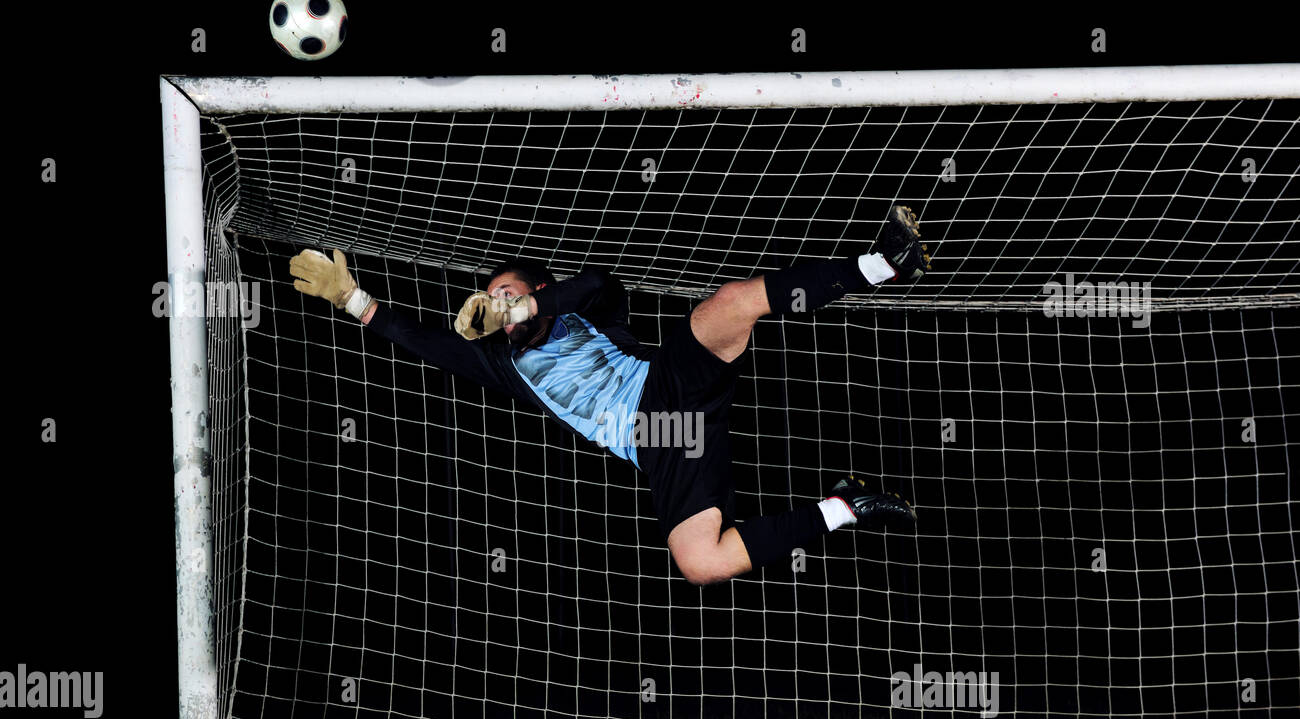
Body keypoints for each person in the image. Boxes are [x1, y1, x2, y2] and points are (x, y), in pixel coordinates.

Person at [289, 205, 930, 585]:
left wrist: (530, 305)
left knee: (730, 304)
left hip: (666, 384)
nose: (500, 303)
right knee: (699, 562)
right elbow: (427, 341)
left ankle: (882, 265)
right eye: (492, 297)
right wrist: (351, 299)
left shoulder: (586, 312)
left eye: (510, 292)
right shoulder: (506, 366)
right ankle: (845, 507)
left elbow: (597, 280)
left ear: (537, 291)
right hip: (657, 444)